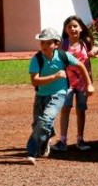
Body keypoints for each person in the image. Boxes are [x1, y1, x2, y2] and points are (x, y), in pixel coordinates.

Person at [26, 27, 94, 165]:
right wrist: (55, 76)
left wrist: (89, 84)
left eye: (48, 43)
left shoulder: (63, 55)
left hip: (59, 94)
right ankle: (46, 139)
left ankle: (31, 151)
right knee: (38, 124)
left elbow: (81, 65)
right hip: (40, 96)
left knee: (45, 121)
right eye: (42, 43)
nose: (44, 46)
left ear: (56, 44)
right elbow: (35, 81)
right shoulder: (37, 59)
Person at [53, 15, 98, 152]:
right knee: (66, 108)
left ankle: (80, 139)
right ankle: (63, 140)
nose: (72, 29)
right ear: (65, 30)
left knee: (81, 109)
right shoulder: (64, 44)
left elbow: (96, 48)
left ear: (80, 28)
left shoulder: (86, 41)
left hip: (83, 82)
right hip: (67, 82)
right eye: (69, 27)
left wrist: (95, 50)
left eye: (75, 26)